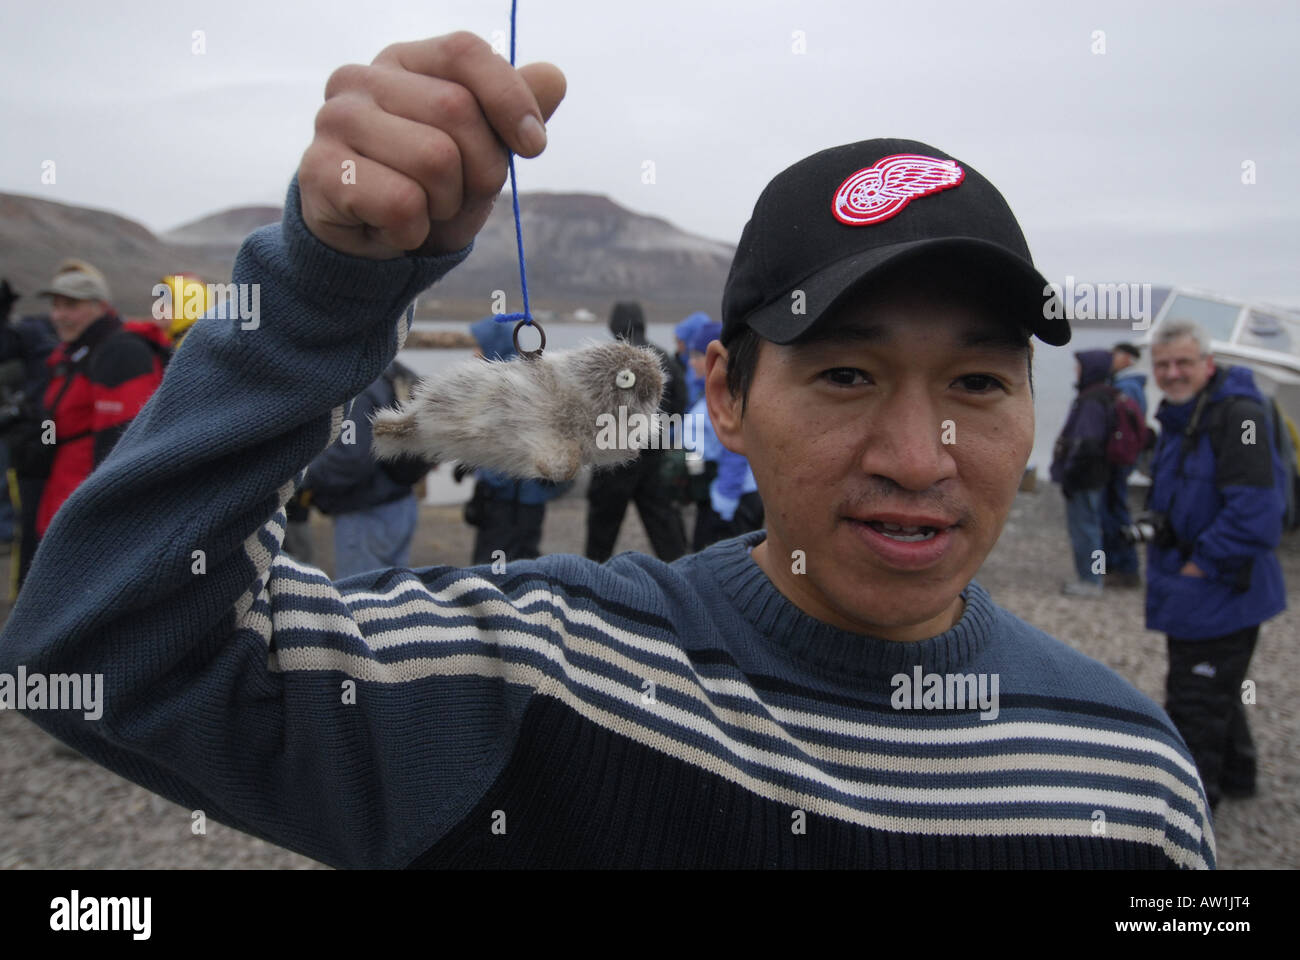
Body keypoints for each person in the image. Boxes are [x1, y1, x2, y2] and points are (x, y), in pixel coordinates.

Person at [0, 34, 1212, 869]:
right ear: (725, 398)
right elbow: (101, 652)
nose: (914, 454)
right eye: (843, 373)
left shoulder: (1129, 772)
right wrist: (325, 287)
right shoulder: (533, 671)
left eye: (979, 381)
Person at [1145, 319, 1287, 811]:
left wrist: (1198, 567)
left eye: (1183, 362)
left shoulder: (1240, 415)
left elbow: (1258, 515)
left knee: (1194, 703)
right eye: (1162, 365)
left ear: (1208, 364)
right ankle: (1240, 774)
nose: (1173, 373)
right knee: (1216, 688)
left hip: (1221, 587)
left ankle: (1191, 816)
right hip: (1193, 587)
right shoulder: (1185, 415)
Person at [32, 260, 169, 545]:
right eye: (55, 306)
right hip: (64, 497)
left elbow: (123, 445)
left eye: (71, 305)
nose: (59, 316)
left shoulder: (121, 353)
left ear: (99, 306)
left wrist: (103, 522)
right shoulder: (76, 353)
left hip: (91, 514)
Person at [584, 300, 688, 563]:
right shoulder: (665, 359)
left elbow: (588, 410)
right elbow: (680, 404)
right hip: (654, 457)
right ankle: (681, 584)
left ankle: (592, 588)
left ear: (613, 325)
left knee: (601, 535)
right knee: (665, 531)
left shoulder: (604, 363)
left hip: (612, 458)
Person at [306, 361, 431, 578]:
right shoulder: (392, 372)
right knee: (393, 595)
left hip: (366, 513)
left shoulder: (361, 387)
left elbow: (349, 460)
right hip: (401, 503)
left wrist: (301, 478)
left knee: (362, 600)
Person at [464, 316, 570, 564]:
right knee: (524, 563)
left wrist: (489, 481)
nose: (475, 353)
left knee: (490, 568)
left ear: (493, 347)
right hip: (530, 499)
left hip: (508, 500)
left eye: (479, 346)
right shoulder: (531, 377)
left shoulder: (503, 385)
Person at [683, 319, 763, 550]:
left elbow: (735, 452)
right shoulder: (704, 391)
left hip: (733, 497)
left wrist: (724, 503)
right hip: (716, 490)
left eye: (698, 355)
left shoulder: (730, 398)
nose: (692, 361)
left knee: (731, 565)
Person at [0, 282, 58, 589]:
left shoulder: (27, 338)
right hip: (30, 438)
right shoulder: (28, 337)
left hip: (31, 442)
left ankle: (23, 591)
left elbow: (40, 396)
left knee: (29, 516)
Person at [1048, 349, 1114, 596]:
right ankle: (1094, 577)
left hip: (1085, 475)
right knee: (1092, 526)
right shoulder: (1104, 396)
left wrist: (1071, 475)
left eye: (1079, 367)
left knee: (1085, 528)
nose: (1076, 371)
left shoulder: (1092, 401)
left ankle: (1091, 581)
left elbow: (1086, 442)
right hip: (1096, 474)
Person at [1101, 342, 1147, 587]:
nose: (1111, 358)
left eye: (1115, 354)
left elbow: (1126, 428)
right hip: (1122, 457)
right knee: (1111, 509)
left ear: (1128, 358)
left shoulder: (1126, 387)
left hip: (1118, 459)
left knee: (1115, 510)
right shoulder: (1127, 385)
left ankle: (1126, 566)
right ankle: (1112, 564)